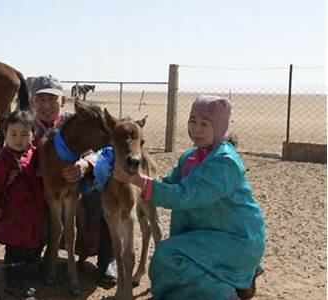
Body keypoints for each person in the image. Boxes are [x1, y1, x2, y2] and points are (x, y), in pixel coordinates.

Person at [113, 96, 266, 300]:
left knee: (169, 255)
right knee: (173, 260)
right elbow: (170, 184)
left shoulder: (224, 162)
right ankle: (239, 280)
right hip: (212, 234)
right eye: (193, 122)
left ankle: (227, 293)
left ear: (219, 128)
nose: (197, 129)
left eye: (205, 124)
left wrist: (139, 181)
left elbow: (185, 196)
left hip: (237, 239)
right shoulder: (192, 156)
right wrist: (136, 176)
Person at [29, 75, 117, 283]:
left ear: (63, 101)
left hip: (78, 186)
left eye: (52, 99)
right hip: (42, 191)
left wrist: (87, 164)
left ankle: (106, 259)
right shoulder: (26, 127)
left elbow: (106, 148)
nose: (46, 106)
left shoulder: (79, 121)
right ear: (33, 102)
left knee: (105, 193)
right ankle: (28, 256)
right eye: (41, 100)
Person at [0, 110, 44, 295]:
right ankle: (13, 282)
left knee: (33, 244)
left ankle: (29, 272)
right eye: (13, 134)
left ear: (33, 135)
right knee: (15, 247)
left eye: (24, 134)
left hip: (33, 210)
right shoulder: (4, 158)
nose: (18, 139)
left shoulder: (35, 153)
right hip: (12, 212)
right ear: (5, 133)